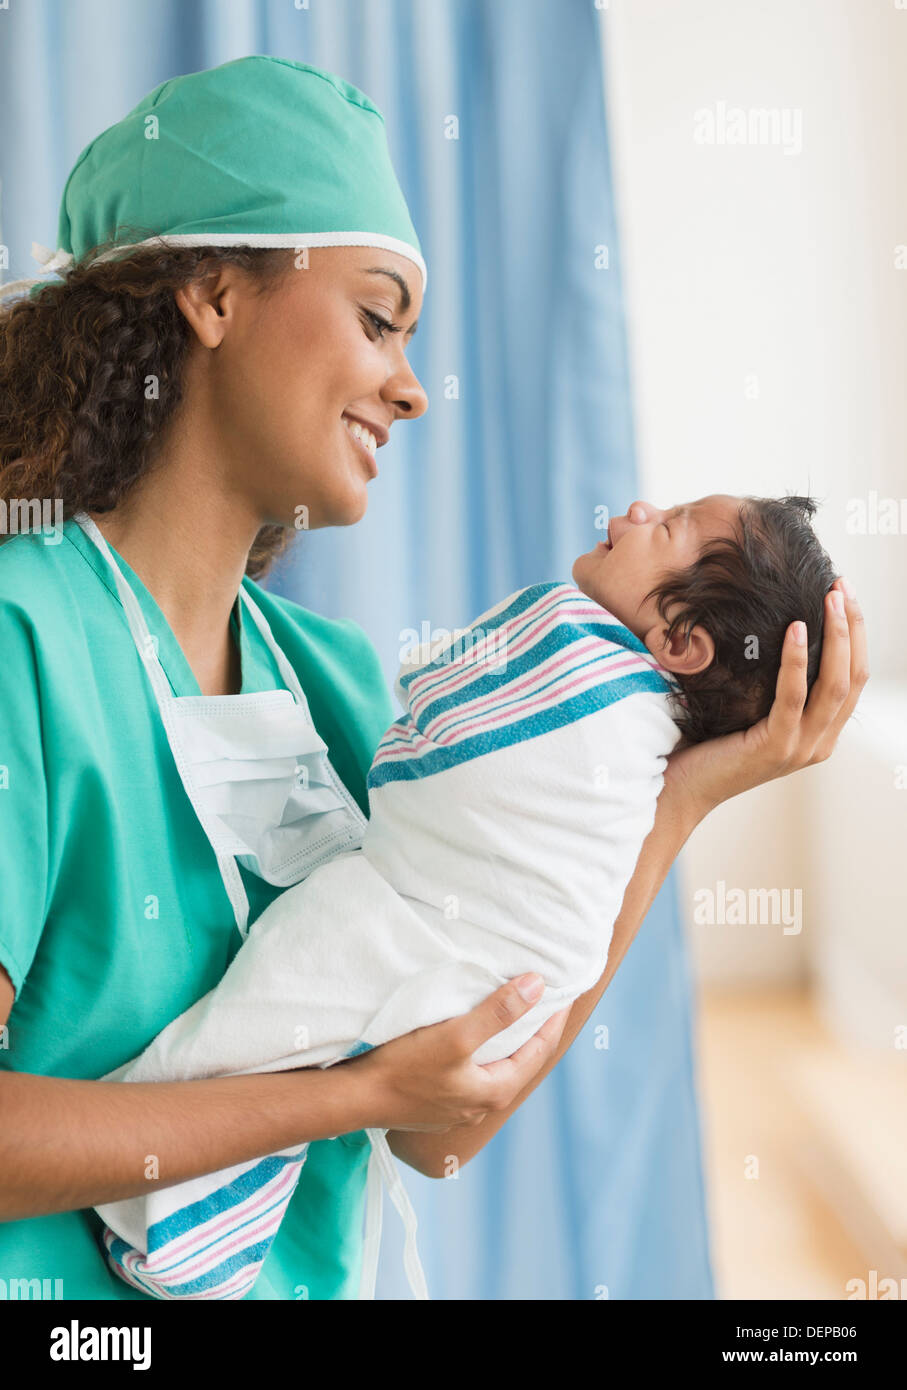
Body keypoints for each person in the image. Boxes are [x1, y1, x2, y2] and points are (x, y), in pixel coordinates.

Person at [0, 56, 868, 1302]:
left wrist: (677, 799)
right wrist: (347, 1093)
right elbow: (386, 1102)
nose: (411, 388)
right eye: (376, 315)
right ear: (208, 293)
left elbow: (444, 1122)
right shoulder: (26, 637)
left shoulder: (348, 689)